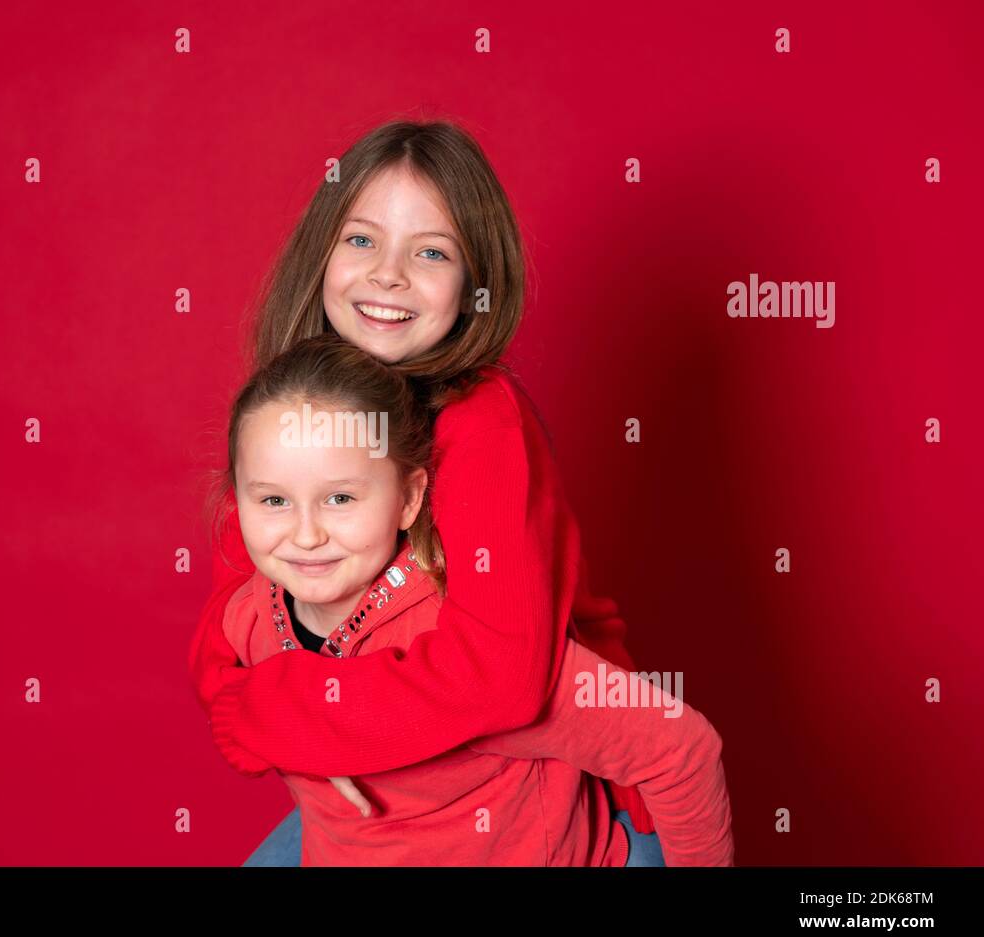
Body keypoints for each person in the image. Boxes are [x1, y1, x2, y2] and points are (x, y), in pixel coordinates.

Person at [189, 119, 661, 861]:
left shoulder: (485, 425)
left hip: (554, 795)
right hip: (398, 793)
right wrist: (270, 716)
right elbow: (227, 631)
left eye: (431, 252)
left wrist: (299, 721)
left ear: (476, 288)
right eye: (361, 239)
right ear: (321, 252)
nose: (388, 274)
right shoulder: (293, 409)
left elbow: (502, 679)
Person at [217, 335, 732, 865]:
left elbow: (681, 752)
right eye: (274, 499)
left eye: (341, 498)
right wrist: (304, 730)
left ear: (409, 499)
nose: (305, 535)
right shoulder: (249, 620)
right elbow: (240, 703)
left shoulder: (459, 642)